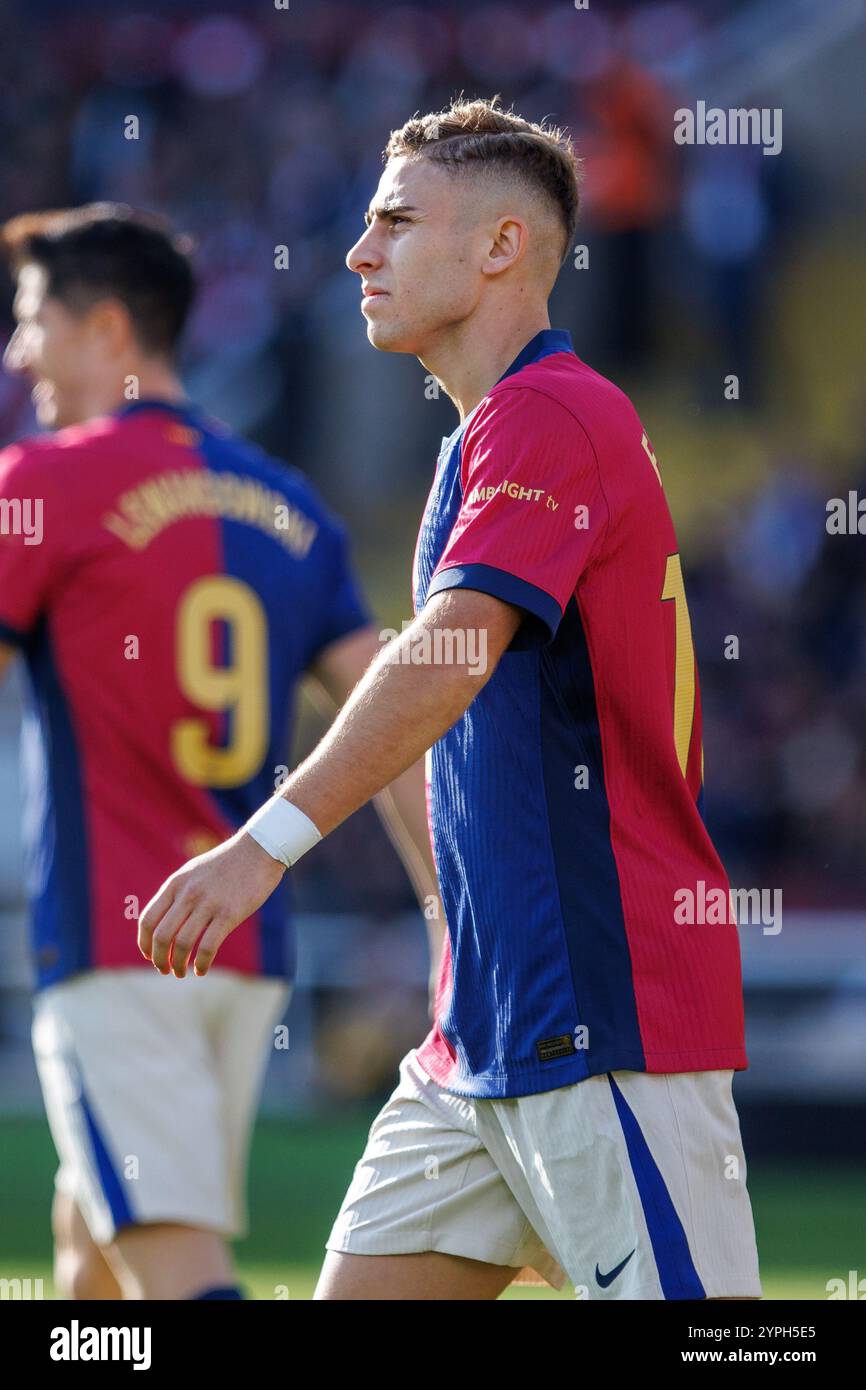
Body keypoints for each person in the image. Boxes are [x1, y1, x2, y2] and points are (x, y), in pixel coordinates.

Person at [139, 98, 762, 1301]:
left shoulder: (552, 412)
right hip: (479, 1026)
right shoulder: (482, 439)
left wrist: (263, 846)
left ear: (498, 249)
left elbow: (449, 653)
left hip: (601, 1017)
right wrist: (447, 907)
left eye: (393, 221)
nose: (356, 252)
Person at [0, 203, 438, 1300]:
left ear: (106, 331)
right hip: (244, 954)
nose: (18, 353)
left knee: (178, 1270)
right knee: (91, 1247)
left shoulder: (43, 484)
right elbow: (393, 720)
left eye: (31, 319)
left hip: (114, 942)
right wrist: (451, 916)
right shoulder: (293, 504)